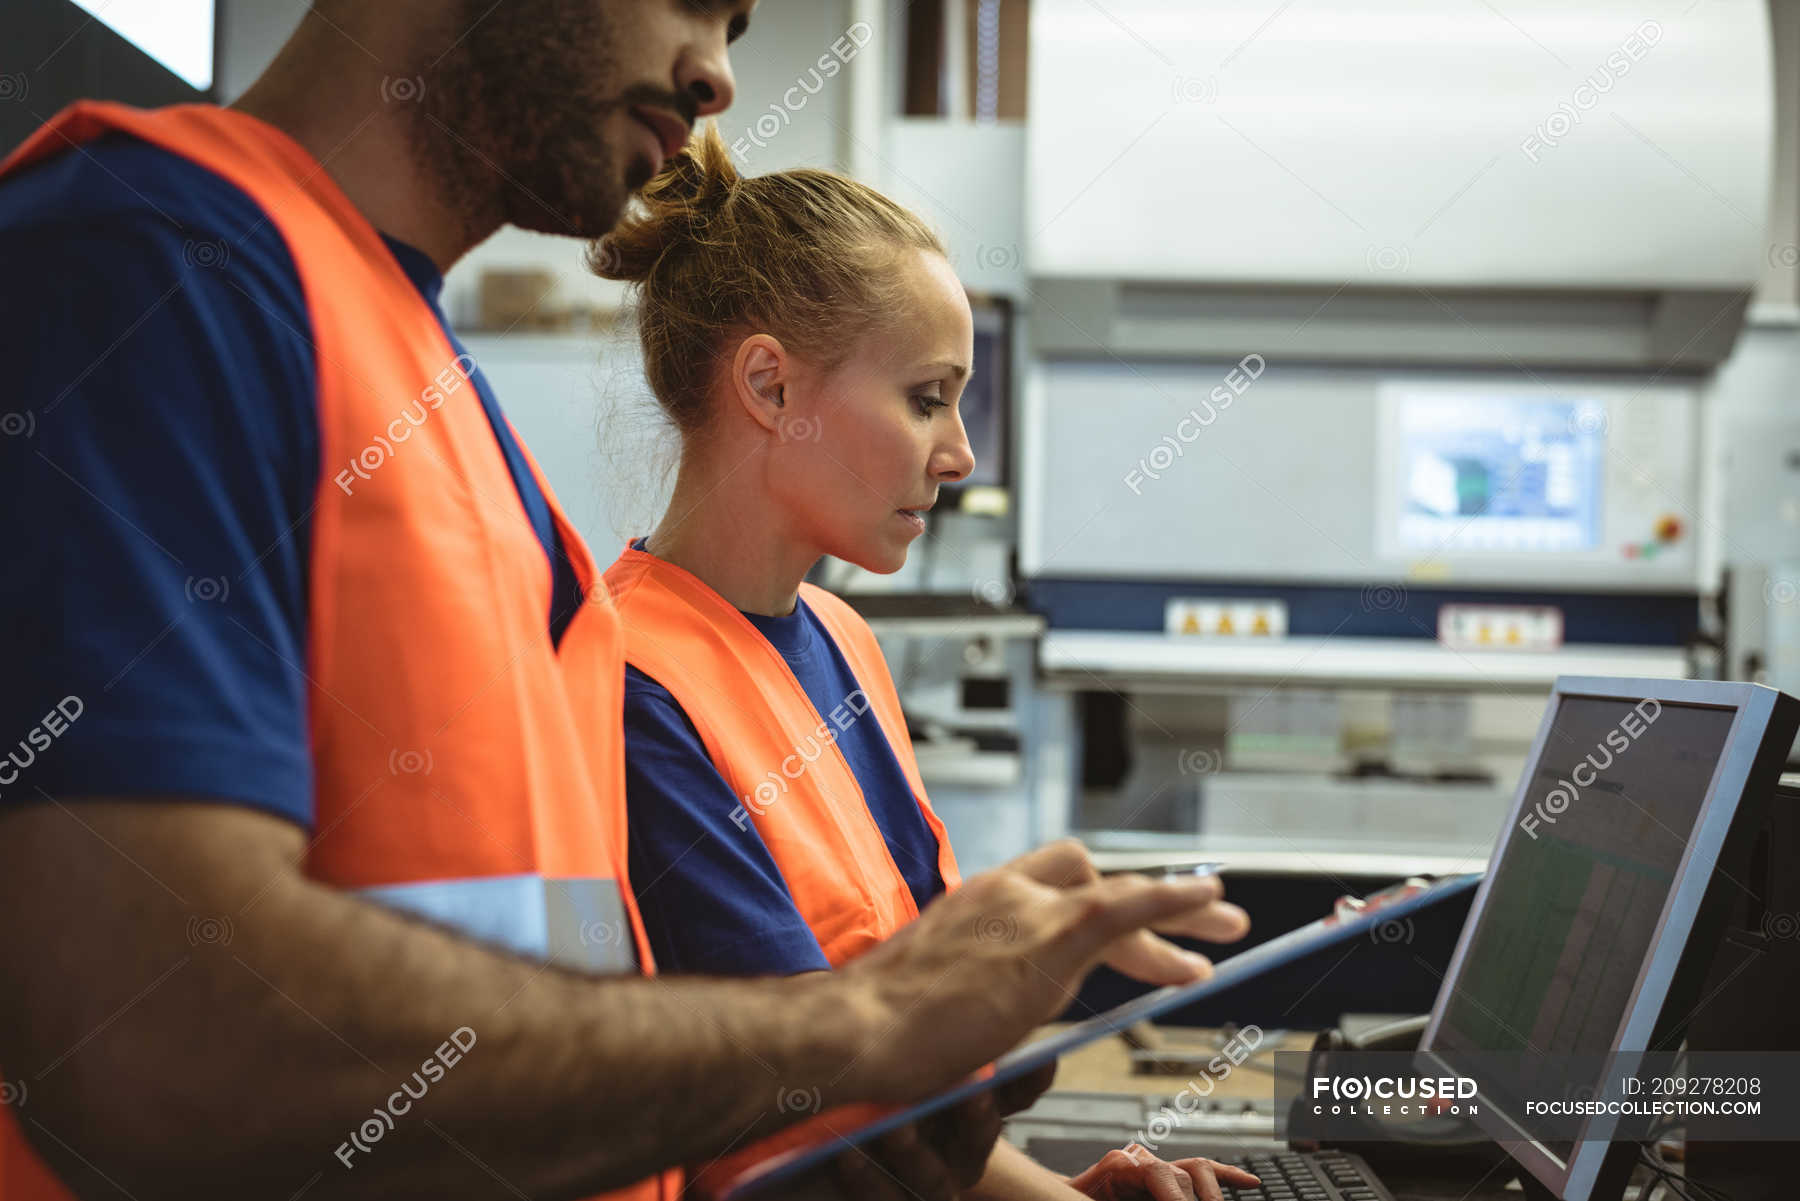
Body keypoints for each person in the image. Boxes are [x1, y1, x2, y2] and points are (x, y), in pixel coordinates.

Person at [0, 2, 1249, 1200]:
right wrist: (866, 1026)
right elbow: (162, 1043)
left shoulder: (441, 403)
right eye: (692, 0)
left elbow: (558, 990)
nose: (716, 77)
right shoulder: (151, 265)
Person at [595, 127, 1257, 1201]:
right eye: (924, 397)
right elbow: (806, 1128)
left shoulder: (843, 643)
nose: (959, 452)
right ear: (769, 387)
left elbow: (914, 1105)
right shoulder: (632, 681)